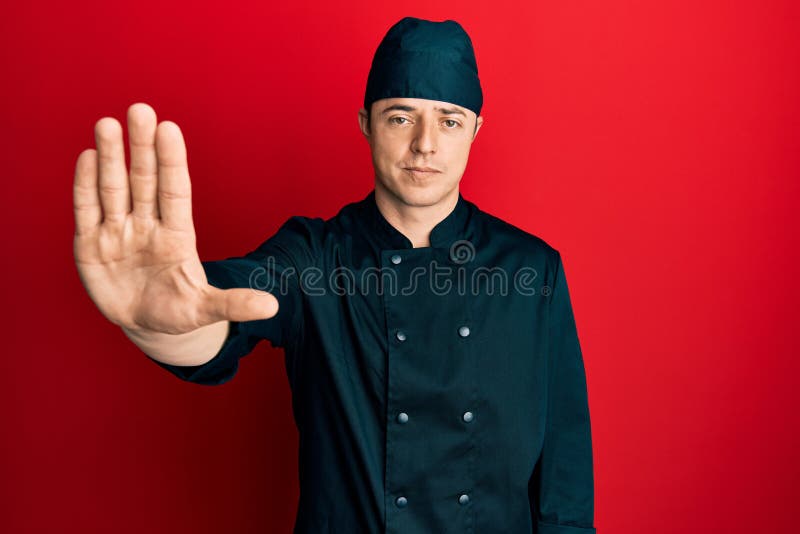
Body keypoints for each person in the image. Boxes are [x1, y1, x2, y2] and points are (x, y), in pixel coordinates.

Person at [73, 16, 596, 534]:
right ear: (366, 122)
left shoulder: (530, 268)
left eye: (450, 120)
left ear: (476, 129)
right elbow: (220, 310)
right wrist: (156, 324)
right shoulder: (314, 256)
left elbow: (564, 467)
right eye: (400, 117)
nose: (425, 144)